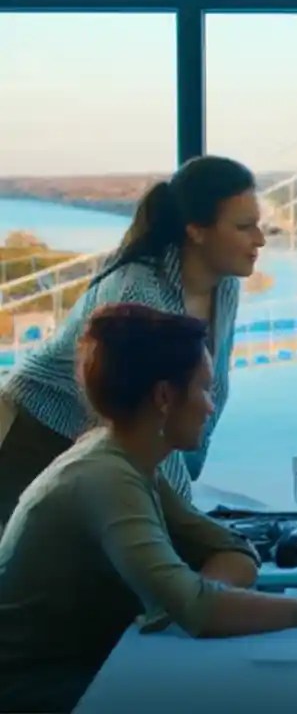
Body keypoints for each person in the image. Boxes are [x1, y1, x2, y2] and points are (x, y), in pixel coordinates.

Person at [0, 303, 297, 713]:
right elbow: (198, 609)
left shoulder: (129, 457)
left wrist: (197, 601)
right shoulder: (106, 476)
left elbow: (232, 550)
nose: (211, 407)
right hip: (38, 688)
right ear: (164, 396)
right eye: (205, 389)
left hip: (92, 663)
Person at [0, 155, 266, 522]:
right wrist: (192, 525)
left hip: (99, 447)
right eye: (244, 226)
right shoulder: (137, 296)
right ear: (197, 230)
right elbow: (149, 421)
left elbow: (211, 386)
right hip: (38, 440)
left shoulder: (225, 287)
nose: (261, 239)